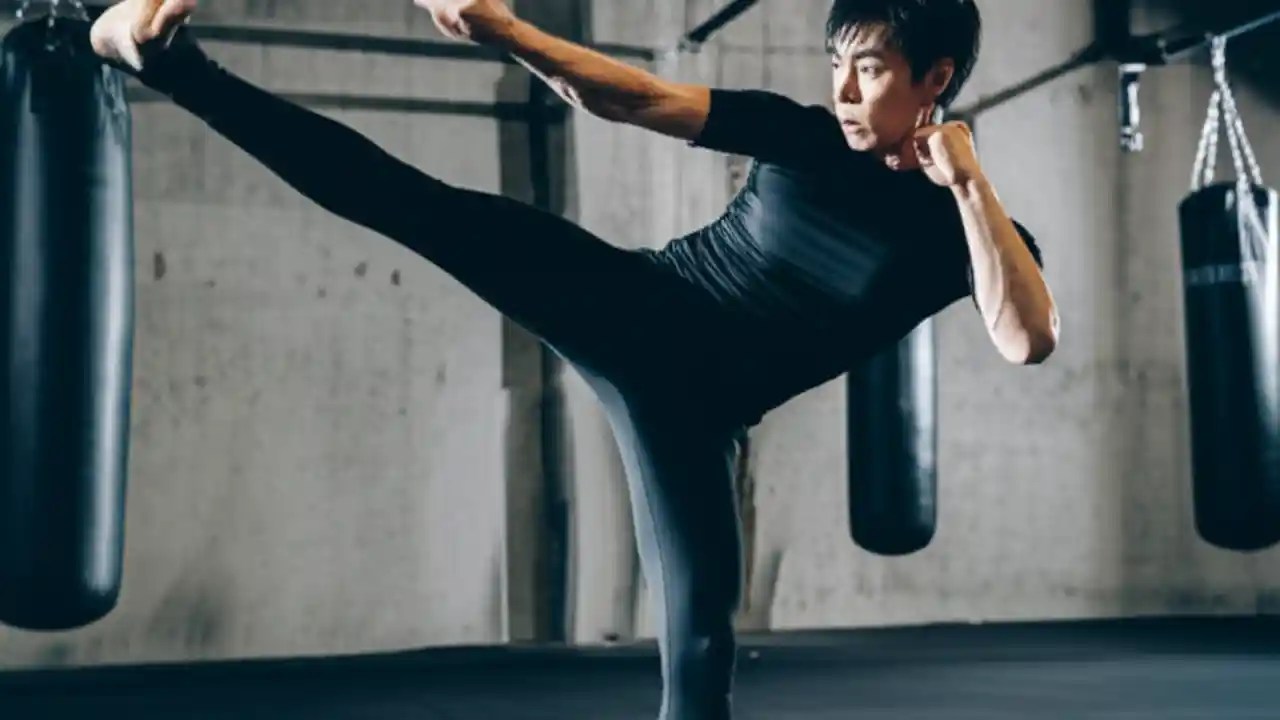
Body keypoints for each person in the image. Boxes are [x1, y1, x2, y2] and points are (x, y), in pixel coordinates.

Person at [89, 0, 1059, 717]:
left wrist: (966, 177)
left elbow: (1025, 338)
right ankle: (168, 60)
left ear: (934, 78)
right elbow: (634, 98)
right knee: (417, 205)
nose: (842, 91)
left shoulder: (964, 235)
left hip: (701, 415)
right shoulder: (799, 134)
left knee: (700, 649)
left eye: (873, 70)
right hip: (635, 310)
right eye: (835, 65)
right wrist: (509, 32)